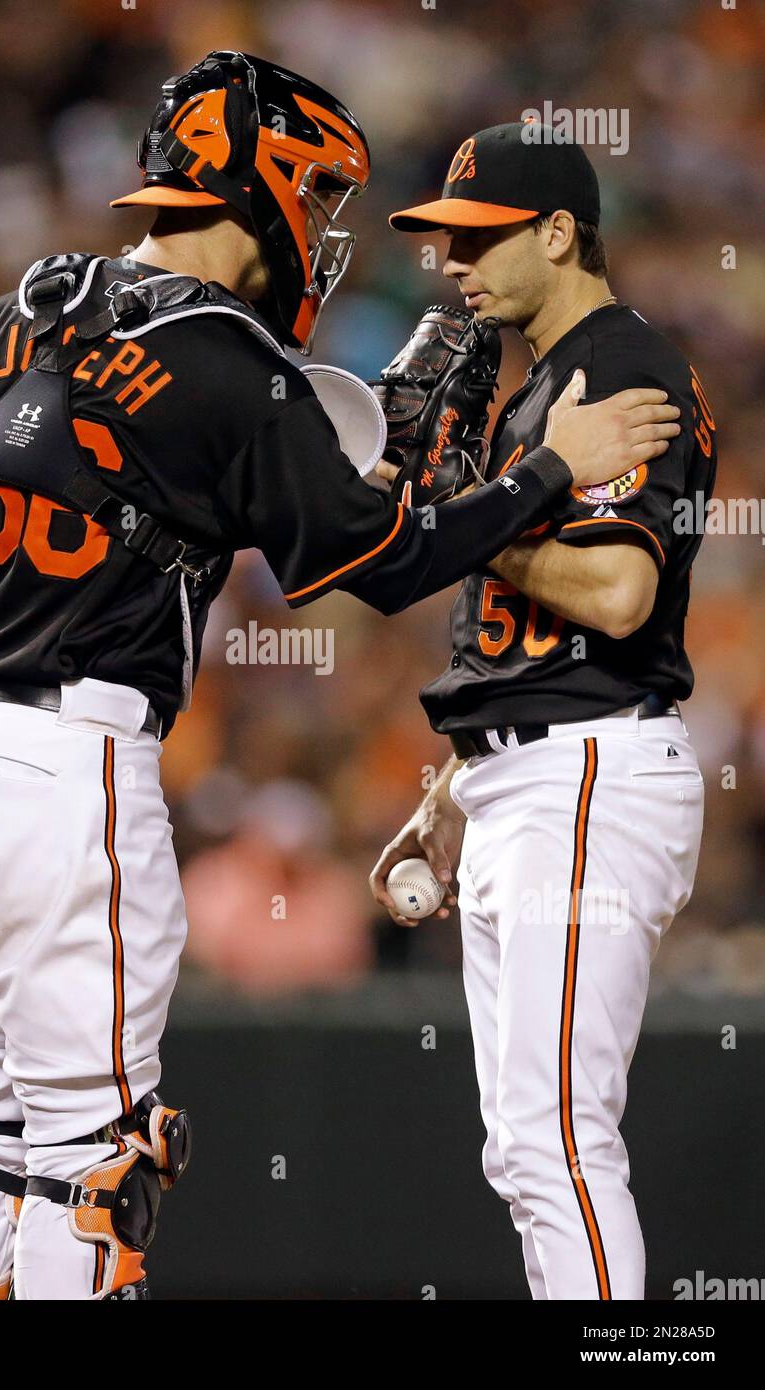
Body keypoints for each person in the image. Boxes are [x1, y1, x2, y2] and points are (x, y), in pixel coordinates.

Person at [0, 56, 673, 1301]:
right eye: (322, 193)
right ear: (267, 180)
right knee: (94, 1166)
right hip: (66, 761)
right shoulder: (231, 359)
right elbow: (391, 569)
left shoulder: (18, 309)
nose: (326, 230)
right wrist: (550, 469)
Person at [372, 122, 715, 1300]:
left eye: (480, 236)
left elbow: (619, 596)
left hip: (589, 769)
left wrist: (476, 506)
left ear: (560, 232)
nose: (453, 263)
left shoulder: (621, 370)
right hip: (531, 772)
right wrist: (462, 771)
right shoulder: (542, 397)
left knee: (560, 1135)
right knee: (527, 1144)